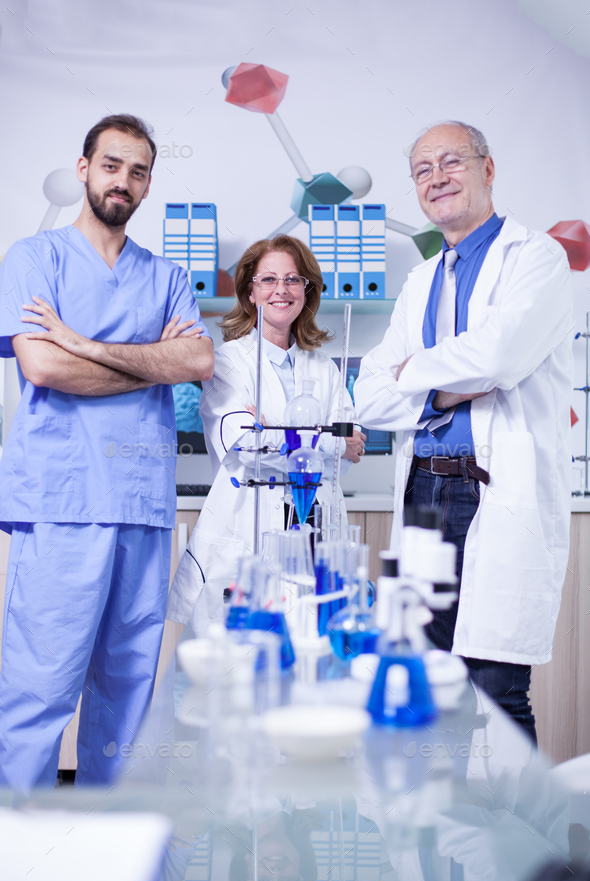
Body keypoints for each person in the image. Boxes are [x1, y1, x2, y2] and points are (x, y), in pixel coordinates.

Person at [0, 114, 214, 789]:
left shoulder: (168, 275)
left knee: (127, 697)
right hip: (64, 503)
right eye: (113, 164)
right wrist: (153, 361)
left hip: (142, 507)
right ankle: (21, 848)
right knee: (40, 689)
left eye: (140, 170)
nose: (124, 180)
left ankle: (110, 849)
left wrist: (87, 345)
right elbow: (42, 368)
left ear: (149, 185)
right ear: (85, 168)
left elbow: (198, 359)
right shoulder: (34, 258)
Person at [355, 120, 573, 741]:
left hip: (493, 490)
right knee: (426, 682)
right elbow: (369, 396)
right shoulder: (421, 279)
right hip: (424, 492)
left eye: (451, 162)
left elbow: (500, 357)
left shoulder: (536, 258)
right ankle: (438, 837)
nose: (436, 178)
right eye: (423, 170)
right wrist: (449, 382)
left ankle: (515, 839)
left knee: (496, 688)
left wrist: (413, 377)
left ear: (487, 169)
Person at [165, 235, 365, 637]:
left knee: (311, 670)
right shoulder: (226, 362)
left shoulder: (324, 367)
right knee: (233, 681)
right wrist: (327, 441)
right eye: (268, 279)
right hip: (245, 534)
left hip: (315, 535)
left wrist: (271, 429)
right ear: (250, 291)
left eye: (293, 280)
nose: (281, 290)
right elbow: (244, 444)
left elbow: (354, 442)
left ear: (307, 291)